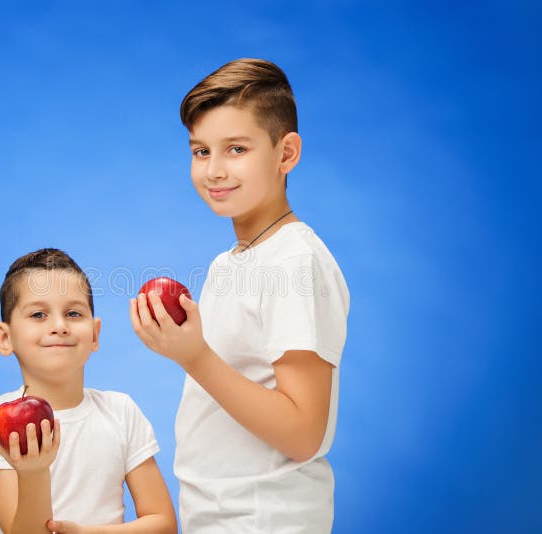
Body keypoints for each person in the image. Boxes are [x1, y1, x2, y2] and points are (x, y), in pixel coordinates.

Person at [130, 58, 350, 533]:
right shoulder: (230, 263)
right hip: (216, 516)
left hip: (266, 519)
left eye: (236, 149)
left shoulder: (294, 263)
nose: (214, 170)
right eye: (201, 151)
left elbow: (302, 433)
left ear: (286, 153)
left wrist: (194, 358)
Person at [0, 248, 176, 534]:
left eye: (73, 313)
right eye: (38, 314)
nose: (60, 326)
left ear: (95, 334)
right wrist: (34, 472)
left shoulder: (120, 411)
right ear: (5, 338)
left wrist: (87, 533)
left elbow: (163, 524)